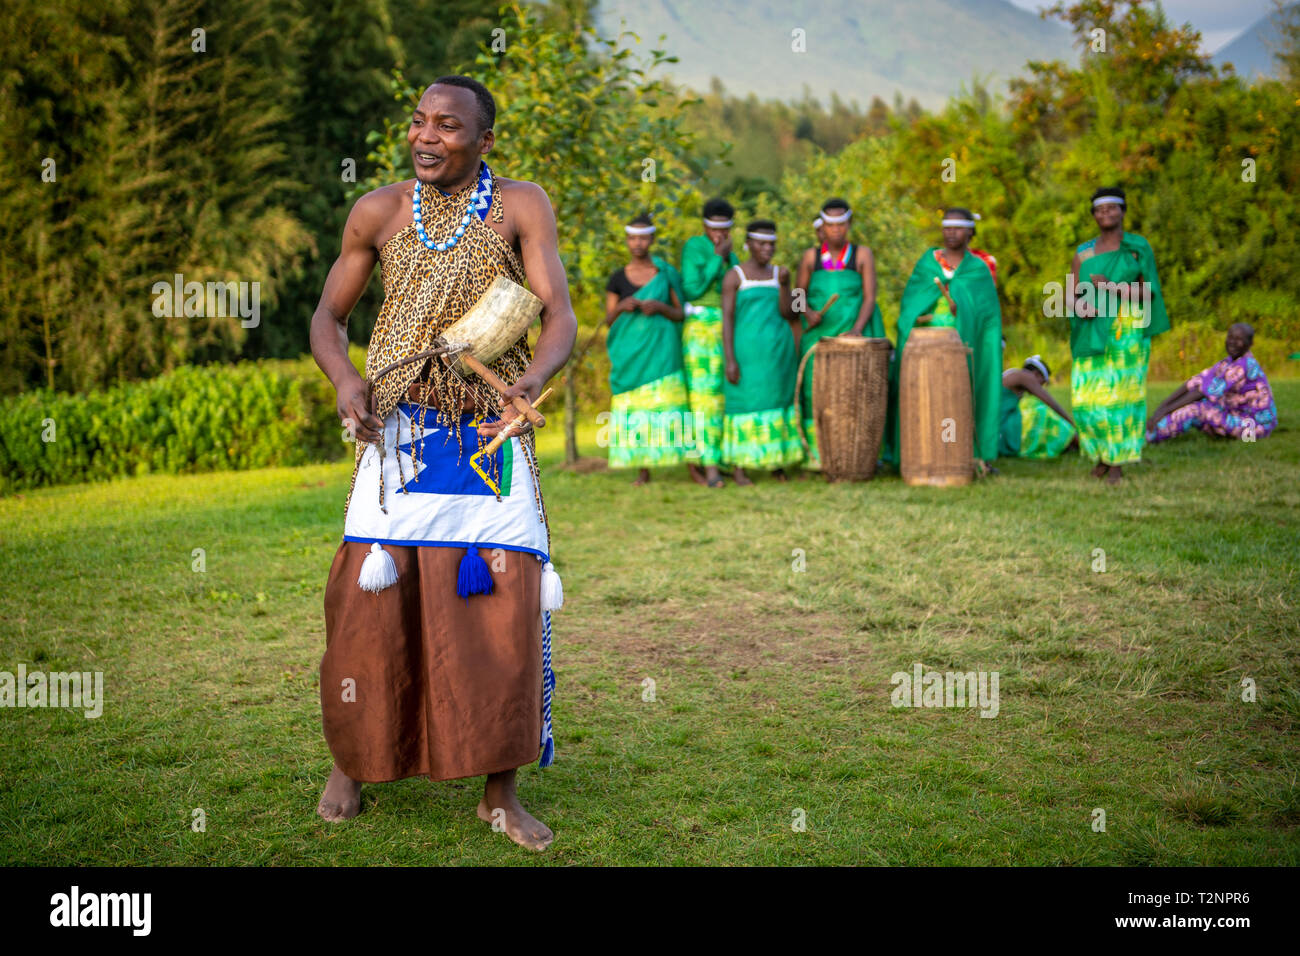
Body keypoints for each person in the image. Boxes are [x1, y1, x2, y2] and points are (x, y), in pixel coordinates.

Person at [307, 75, 577, 851]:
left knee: (501, 608)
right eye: (419, 122)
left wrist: (530, 381)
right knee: (367, 606)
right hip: (396, 435)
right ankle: (352, 765)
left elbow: (558, 314)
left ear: (484, 141)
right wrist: (345, 379)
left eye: (449, 126)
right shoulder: (380, 211)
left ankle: (500, 791)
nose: (427, 136)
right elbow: (329, 316)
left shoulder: (521, 205)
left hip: (490, 431)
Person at [884, 207, 1002, 474]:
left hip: (962, 346)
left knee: (957, 397)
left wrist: (964, 310)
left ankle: (968, 454)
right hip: (926, 345)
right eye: (947, 227)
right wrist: (923, 314)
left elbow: (988, 319)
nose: (951, 233)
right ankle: (918, 452)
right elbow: (910, 307)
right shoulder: (928, 263)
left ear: (970, 231)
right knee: (924, 397)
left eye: (958, 228)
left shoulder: (978, 270)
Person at [1068, 186, 1170, 485]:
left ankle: (1117, 461)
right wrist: (1079, 305)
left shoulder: (1137, 248)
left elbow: (1149, 291)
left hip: (1126, 328)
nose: (1106, 214)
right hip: (1092, 330)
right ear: (1094, 216)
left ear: (1123, 211)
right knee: (1086, 397)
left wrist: (1109, 288)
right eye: (1100, 210)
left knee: (1120, 395)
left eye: (1112, 208)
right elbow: (1071, 294)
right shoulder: (1083, 252)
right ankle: (1100, 453)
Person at [794, 198, 884, 469]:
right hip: (818, 336)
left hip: (852, 332)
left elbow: (870, 297)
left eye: (841, 224)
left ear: (849, 225)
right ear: (823, 225)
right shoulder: (811, 257)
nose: (836, 230)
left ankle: (854, 451)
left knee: (855, 390)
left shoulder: (862, 254)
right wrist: (807, 312)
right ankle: (816, 456)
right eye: (831, 224)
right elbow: (798, 295)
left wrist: (857, 329)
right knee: (814, 390)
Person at [603, 214, 692, 484]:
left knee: (672, 407)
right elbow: (609, 320)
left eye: (643, 238)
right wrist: (622, 306)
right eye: (632, 238)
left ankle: (692, 467)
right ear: (627, 241)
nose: (638, 243)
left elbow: (681, 313)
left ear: (651, 239)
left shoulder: (664, 274)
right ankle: (643, 470)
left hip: (662, 354)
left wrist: (661, 307)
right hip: (631, 357)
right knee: (637, 410)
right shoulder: (617, 279)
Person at [720, 220, 804, 484]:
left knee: (777, 403)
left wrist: (786, 285)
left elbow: (791, 312)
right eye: (761, 243)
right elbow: (728, 319)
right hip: (747, 353)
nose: (768, 249)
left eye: (772, 244)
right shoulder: (735, 275)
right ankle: (740, 467)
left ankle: (776, 463)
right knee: (745, 404)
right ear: (748, 244)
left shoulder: (781, 273)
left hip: (777, 353)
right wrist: (730, 359)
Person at [680, 199, 740, 487]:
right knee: (703, 399)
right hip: (701, 330)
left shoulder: (732, 254)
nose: (720, 235)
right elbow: (692, 289)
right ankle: (710, 466)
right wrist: (717, 257)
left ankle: (724, 458)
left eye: (725, 230)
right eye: (715, 229)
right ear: (705, 226)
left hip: (729, 327)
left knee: (724, 397)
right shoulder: (695, 247)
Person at [1146, 323, 1277, 443]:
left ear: (1250, 343)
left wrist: (1163, 412)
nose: (1233, 343)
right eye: (1230, 337)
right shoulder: (1229, 362)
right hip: (1238, 417)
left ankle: (1151, 435)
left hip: (1254, 429)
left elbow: (1202, 392)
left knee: (1197, 409)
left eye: (1239, 340)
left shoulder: (1244, 365)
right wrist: (1161, 408)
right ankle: (1154, 427)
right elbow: (1194, 382)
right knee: (1201, 405)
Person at [999, 355, 1078, 459]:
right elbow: (1052, 404)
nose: (1041, 386)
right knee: (1041, 409)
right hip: (1003, 426)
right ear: (1036, 374)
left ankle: (1070, 443)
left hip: (1000, 425)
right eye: (1042, 382)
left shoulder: (1012, 374)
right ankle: (1079, 441)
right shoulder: (1025, 376)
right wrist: (1073, 425)